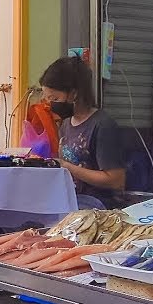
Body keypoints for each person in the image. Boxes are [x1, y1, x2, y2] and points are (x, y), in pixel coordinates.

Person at [39, 56, 126, 209]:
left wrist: (67, 167)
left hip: (97, 203)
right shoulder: (66, 124)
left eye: (54, 98)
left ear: (74, 94)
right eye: (46, 98)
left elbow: (116, 180)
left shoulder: (102, 125)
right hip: (70, 197)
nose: (50, 103)